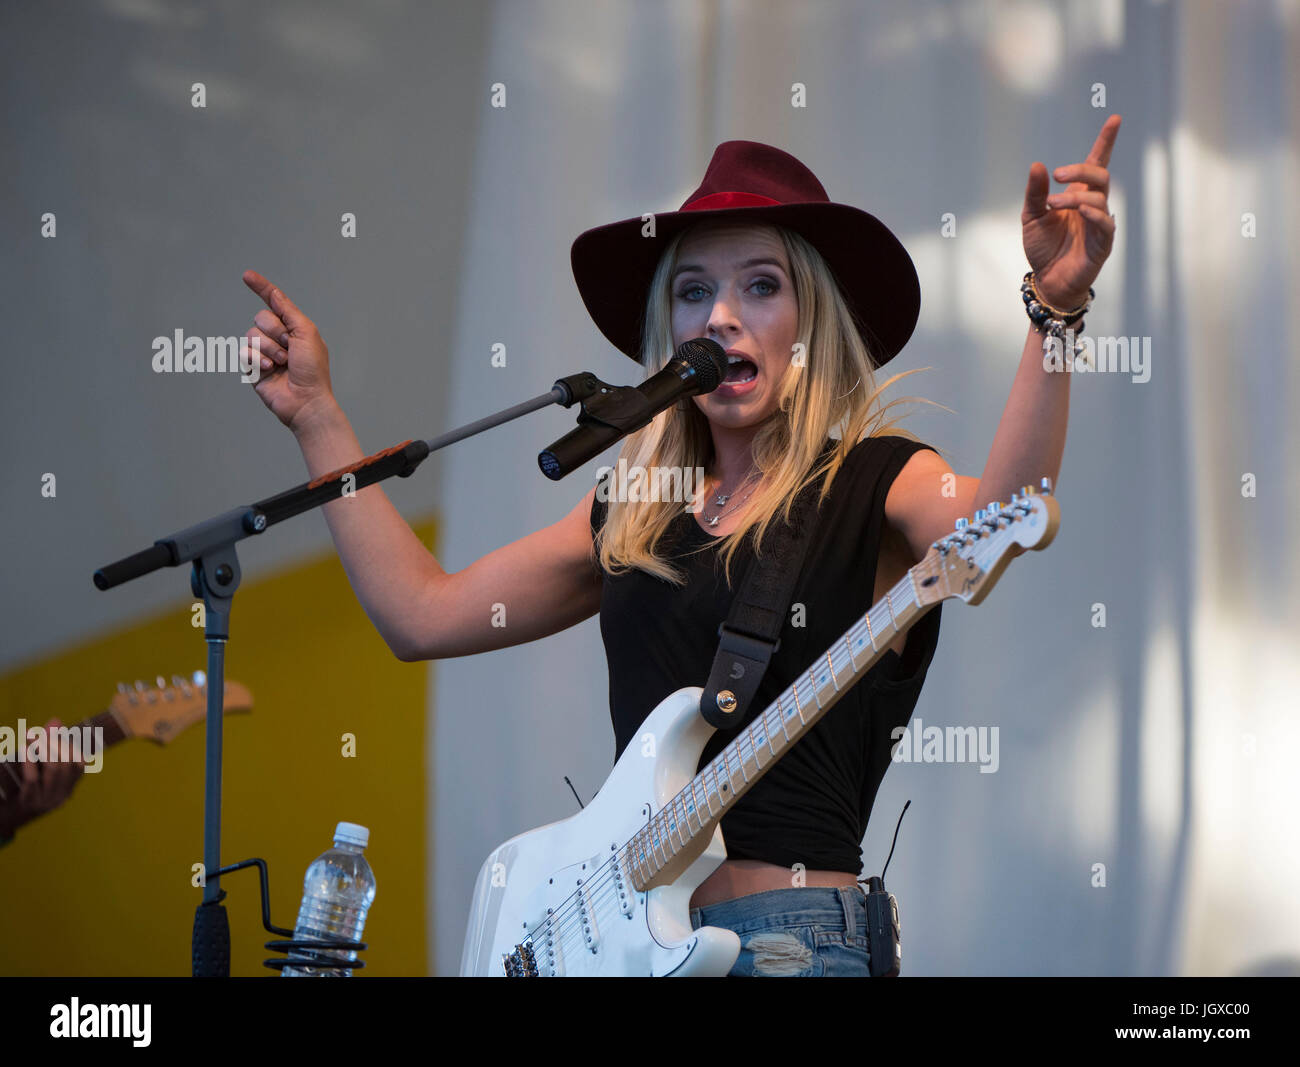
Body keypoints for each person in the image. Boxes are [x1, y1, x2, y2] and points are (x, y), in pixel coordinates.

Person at [241, 117, 1120, 976]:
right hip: (629, 954)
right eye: (693, 291)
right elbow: (419, 614)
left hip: (793, 946)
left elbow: (1003, 518)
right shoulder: (633, 512)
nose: (721, 316)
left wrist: (1057, 308)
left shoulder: (876, 479)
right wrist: (320, 420)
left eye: (762, 286)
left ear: (814, 320)